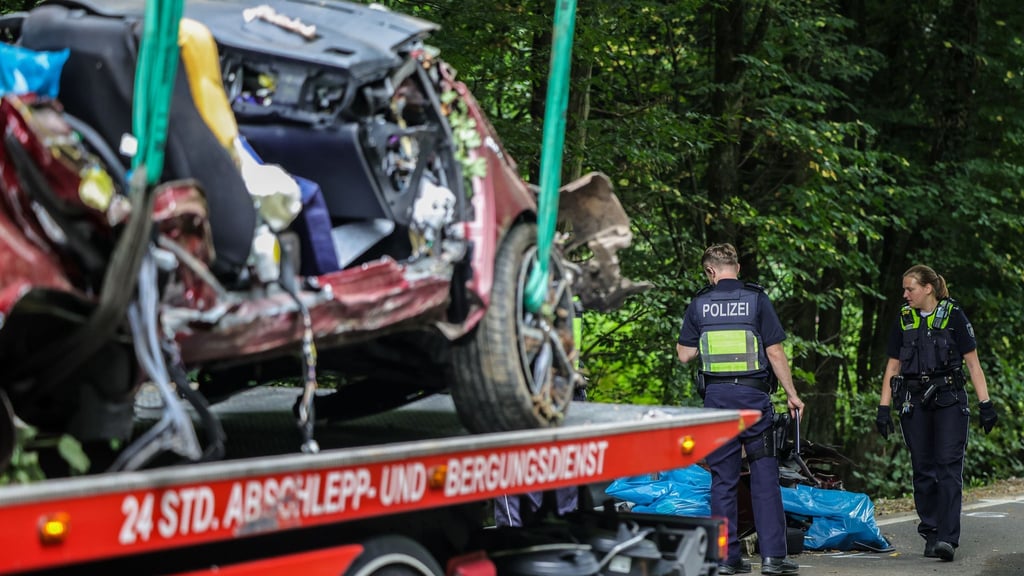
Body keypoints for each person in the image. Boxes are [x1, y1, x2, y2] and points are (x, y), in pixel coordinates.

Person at [676, 243, 804, 576]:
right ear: (737, 267)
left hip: (717, 404)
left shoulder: (700, 304)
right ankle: (774, 558)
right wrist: (792, 394)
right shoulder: (757, 300)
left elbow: (685, 355)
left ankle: (725, 559)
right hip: (753, 401)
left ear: (710, 271)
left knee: (723, 480)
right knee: (764, 477)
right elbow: (775, 352)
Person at [876, 264, 997, 562]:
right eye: (904, 289)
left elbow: (973, 363)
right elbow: (893, 367)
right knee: (923, 468)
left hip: (949, 400)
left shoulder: (954, 316)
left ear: (927, 288)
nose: (905, 295)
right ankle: (930, 531)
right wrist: (883, 407)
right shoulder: (903, 320)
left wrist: (986, 404)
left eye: (910, 289)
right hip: (914, 401)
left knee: (948, 467)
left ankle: (947, 537)